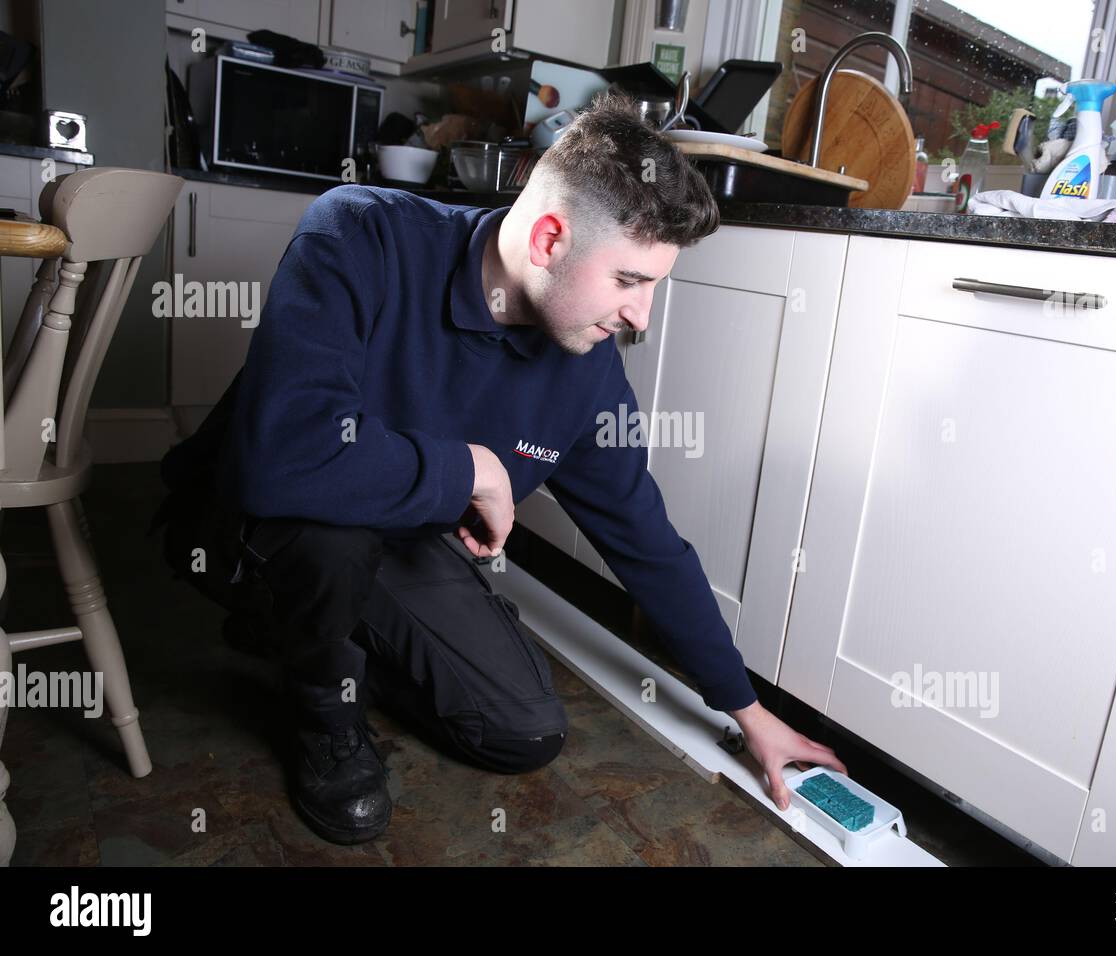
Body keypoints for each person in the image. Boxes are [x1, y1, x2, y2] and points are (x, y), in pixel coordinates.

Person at [152, 90, 846, 846]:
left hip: (393, 538)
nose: (641, 317)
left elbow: (647, 540)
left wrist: (746, 710)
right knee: (332, 535)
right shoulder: (360, 233)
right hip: (253, 519)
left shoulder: (585, 370)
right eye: (629, 282)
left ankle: (308, 633)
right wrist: (473, 468)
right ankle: (321, 707)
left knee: (522, 730)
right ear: (548, 239)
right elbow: (284, 455)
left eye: (654, 286)